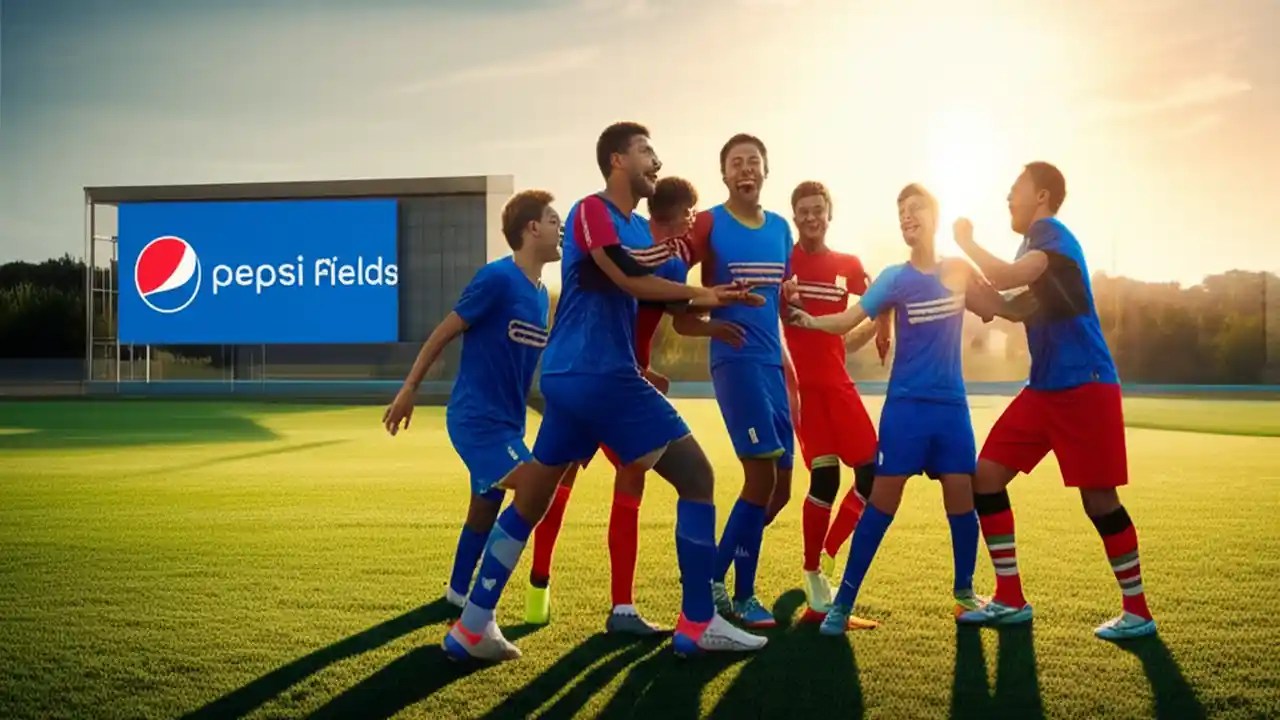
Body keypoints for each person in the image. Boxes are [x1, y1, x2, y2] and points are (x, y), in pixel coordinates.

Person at [437, 122, 769, 662]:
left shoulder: (640, 231)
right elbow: (632, 279)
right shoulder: (592, 210)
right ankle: (698, 623)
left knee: (532, 499)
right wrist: (698, 286)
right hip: (602, 375)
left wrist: (715, 299)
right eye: (646, 151)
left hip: (571, 383)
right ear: (617, 160)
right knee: (698, 476)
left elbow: (664, 295)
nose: (655, 161)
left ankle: (472, 626)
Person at [788, 183, 1022, 636]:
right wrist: (811, 321)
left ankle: (963, 595)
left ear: (934, 215)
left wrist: (1031, 299)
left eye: (915, 208)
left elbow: (998, 307)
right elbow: (851, 318)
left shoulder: (956, 269)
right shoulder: (895, 278)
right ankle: (842, 606)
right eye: (901, 211)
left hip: (952, 410)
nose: (907, 216)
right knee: (880, 504)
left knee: (962, 500)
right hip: (906, 411)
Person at [524, 176, 744, 635]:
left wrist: (713, 328)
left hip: (610, 378)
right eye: (690, 213)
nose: (692, 222)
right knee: (610, 482)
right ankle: (612, 604)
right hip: (613, 382)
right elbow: (632, 296)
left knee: (565, 483)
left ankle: (541, 592)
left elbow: (678, 319)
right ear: (679, 213)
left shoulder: (660, 256)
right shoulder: (642, 248)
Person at [952, 162, 1157, 640]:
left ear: (1041, 195)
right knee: (985, 476)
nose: (1007, 196)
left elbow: (1005, 277)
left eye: (1014, 188)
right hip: (1044, 387)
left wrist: (965, 244)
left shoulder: (1050, 234)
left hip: (1085, 383)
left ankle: (1138, 611)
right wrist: (969, 295)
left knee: (1099, 499)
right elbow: (1015, 305)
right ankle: (1010, 597)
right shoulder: (1033, 246)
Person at [381, 190, 561, 611]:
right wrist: (409, 389)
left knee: (484, 509)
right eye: (554, 220)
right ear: (531, 228)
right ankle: (483, 604)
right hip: (476, 420)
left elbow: (525, 377)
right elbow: (444, 331)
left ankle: (458, 593)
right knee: (536, 487)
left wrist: (557, 416)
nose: (561, 229)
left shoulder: (538, 297)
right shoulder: (497, 279)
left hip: (508, 424)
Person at [689, 133, 795, 629]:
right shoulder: (708, 223)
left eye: (754, 161)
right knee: (761, 476)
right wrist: (711, 315)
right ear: (725, 174)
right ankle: (726, 589)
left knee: (781, 489)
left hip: (773, 365)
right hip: (734, 361)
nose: (745, 169)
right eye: (736, 163)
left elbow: (780, 303)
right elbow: (676, 290)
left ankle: (719, 582)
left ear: (765, 171)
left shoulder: (780, 229)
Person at [782, 180, 890, 622]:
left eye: (818, 210)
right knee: (824, 481)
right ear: (794, 217)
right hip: (804, 390)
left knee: (871, 474)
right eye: (803, 211)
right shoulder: (783, 261)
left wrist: (881, 330)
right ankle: (812, 574)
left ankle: (827, 552)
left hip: (839, 384)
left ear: (830, 213)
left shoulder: (849, 264)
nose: (811, 217)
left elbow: (882, 299)